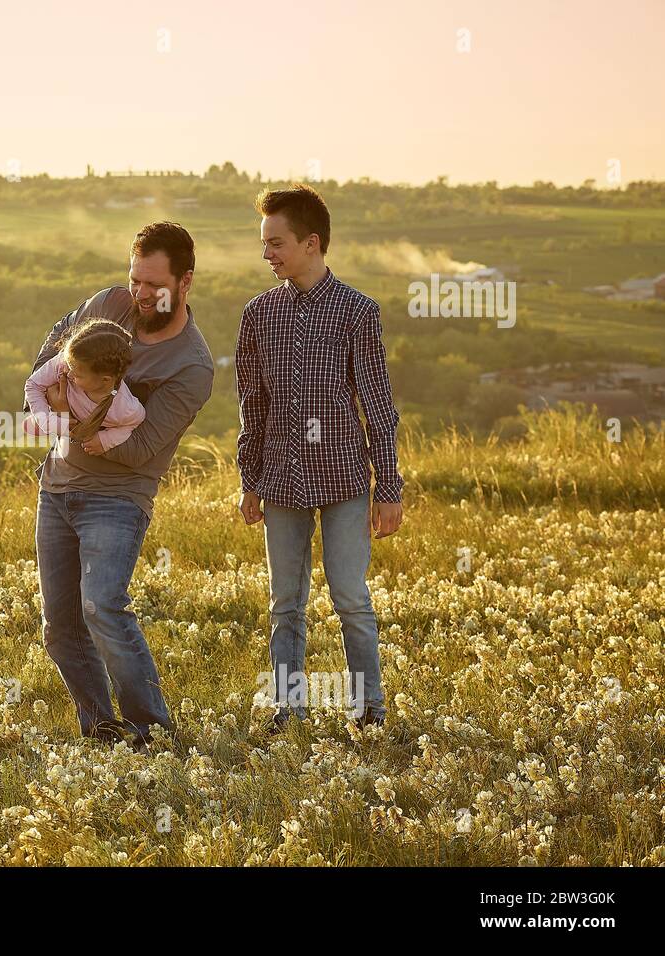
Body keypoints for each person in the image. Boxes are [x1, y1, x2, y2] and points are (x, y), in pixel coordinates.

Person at [27, 221, 215, 749]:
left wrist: (71, 416)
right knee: (60, 626)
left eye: (153, 284)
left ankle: (150, 730)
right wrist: (50, 403)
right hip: (58, 487)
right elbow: (51, 355)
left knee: (102, 606)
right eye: (135, 279)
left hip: (118, 499)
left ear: (185, 282)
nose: (139, 293)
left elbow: (141, 446)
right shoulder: (107, 304)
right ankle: (101, 730)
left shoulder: (192, 365)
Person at [233, 184, 405, 732]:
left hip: (345, 481)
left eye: (276, 243)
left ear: (312, 242)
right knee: (285, 604)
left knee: (351, 599)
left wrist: (390, 487)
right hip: (280, 479)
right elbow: (252, 405)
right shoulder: (258, 313)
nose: (267, 253)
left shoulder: (359, 312)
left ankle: (369, 711)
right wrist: (250, 479)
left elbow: (378, 403)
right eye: (264, 244)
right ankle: (288, 711)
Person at [23, 318, 145, 460]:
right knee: (29, 425)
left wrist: (105, 440)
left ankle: (59, 425)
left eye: (77, 374)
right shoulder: (67, 361)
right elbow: (33, 384)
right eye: (70, 366)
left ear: (105, 380)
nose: (68, 373)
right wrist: (46, 419)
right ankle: (47, 418)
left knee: (71, 432)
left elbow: (134, 423)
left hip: (87, 423)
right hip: (58, 408)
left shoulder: (125, 409)